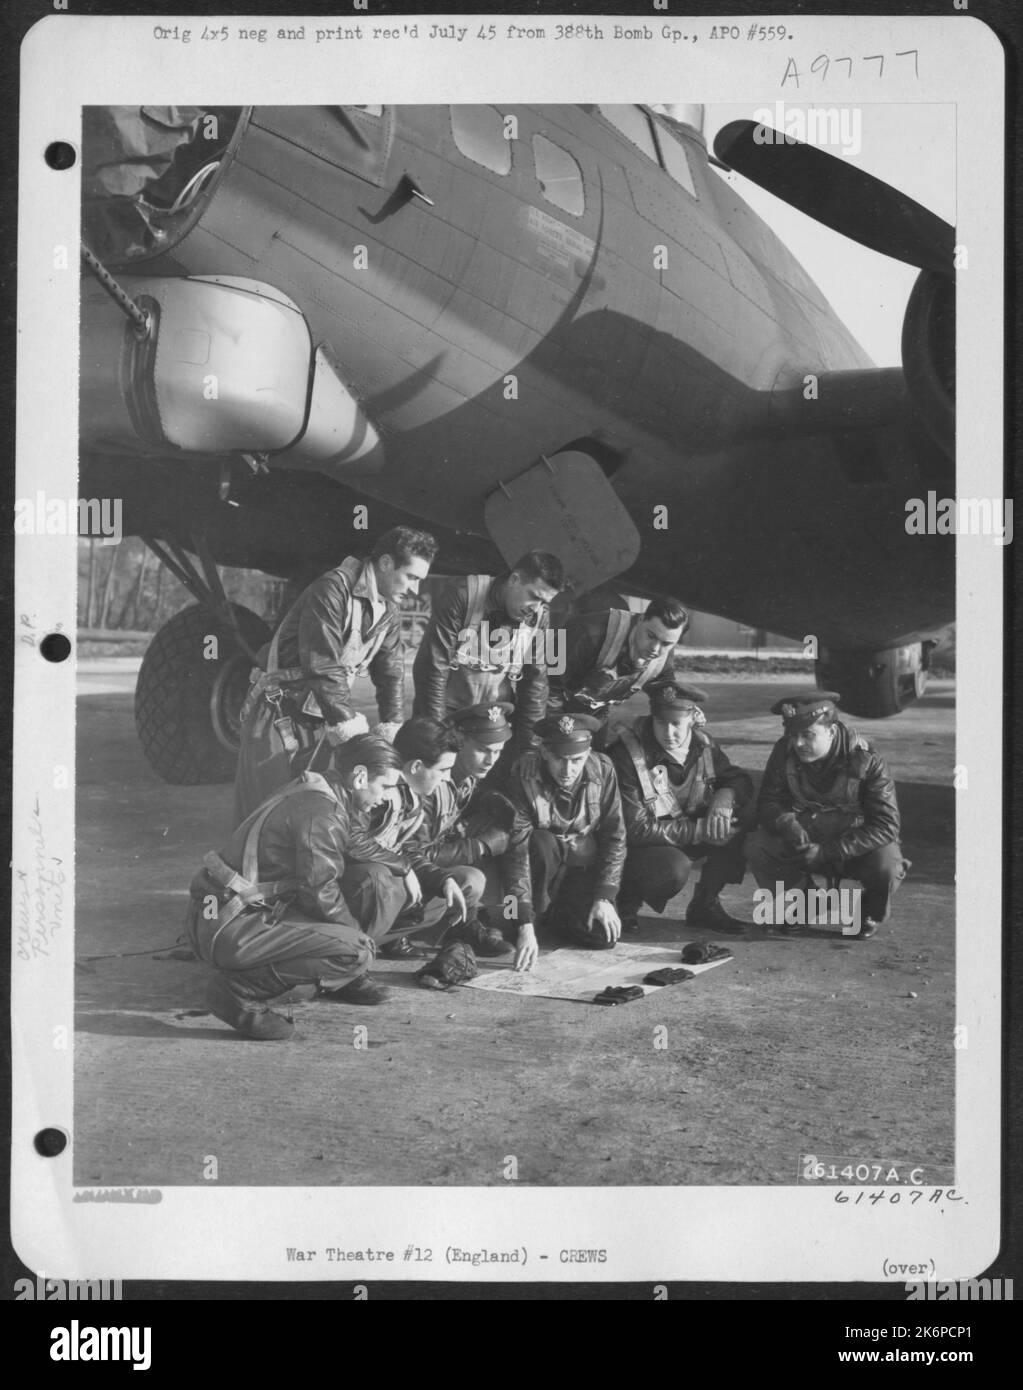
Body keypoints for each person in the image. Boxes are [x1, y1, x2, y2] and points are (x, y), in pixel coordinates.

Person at [188, 735, 416, 1040]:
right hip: (231, 926)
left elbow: (354, 840)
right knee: (355, 952)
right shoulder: (322, 812)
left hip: (215, 914)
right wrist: (359, 943)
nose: (387, 797)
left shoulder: (319, 790)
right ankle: (237, 990)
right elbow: (321, 894)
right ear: (360, 777)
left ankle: (311, 975)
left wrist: (405, 866)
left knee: (371, 883)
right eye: (385, 786)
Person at [233, 526, 439, 825]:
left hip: (323, 718)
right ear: (384, 563)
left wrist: (390, 729)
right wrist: (351, 731)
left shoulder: (389, 612)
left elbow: (391, 673)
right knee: (266, 813)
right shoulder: (331, 590)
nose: (414, 589)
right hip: (279, 713)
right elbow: (323, 665)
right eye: (412, 577)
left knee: (311, 812)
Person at [744, 691, 909, 939]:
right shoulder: (785, 751)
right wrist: (789, 825)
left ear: (831, 732)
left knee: (887, 865)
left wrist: (828, 852)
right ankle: (809, 903)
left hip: (853, 839)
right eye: (793, 735)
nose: (798, 743)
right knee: (757, 845)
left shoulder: (867, 760)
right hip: (807, 835)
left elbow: (887, 825)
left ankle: (867, 912)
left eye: (808, 735)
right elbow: (769, 802)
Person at [609, 678, 754, 933]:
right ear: (652, 718)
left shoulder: (703, 745)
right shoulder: (627, 754)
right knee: (673, 868)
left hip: (683, 830)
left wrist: (725, 797)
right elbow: (635, 828)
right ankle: (625, 903)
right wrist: (700, 831)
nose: (669, 733)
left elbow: (737, 777)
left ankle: (705, 903)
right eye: (661, 723)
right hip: (641, 847)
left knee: (744, 818)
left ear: (692, 718)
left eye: (676, 724)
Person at [364, 715, 508, 958]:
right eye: (443, 770)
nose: (445, 778)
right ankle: (355, 946)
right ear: (417, 766)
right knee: (378, 878)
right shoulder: (381, 796)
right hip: (356, 888)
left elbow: (406, 850)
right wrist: (405, 868)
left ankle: (380, 939)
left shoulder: (412, 794)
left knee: (447, 890)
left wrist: (440, 879)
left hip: (385, 877)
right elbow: (356, 844)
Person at [411, 551, 565, 774]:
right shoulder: (463, 595)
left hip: (493, 723)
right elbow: (432, 668)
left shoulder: (539, 617)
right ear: (514, 580)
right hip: (447, 716)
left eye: (544, 601)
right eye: (534, 595)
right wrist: (437, 739)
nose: (536, 607)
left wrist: (529, 748)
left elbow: (535, 685)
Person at [502, 712, 627, 968]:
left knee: (602, 938)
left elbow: (615, 835)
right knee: (540, 842)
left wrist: (604, 897)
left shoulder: (603, 768)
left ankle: (557, 915)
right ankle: (526, 918)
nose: (568, 770)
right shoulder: (523, 775)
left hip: (580, 868)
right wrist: (523, 922)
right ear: (545, 752)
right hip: (539, 865)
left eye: (577, 760)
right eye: (559, 759)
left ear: (589, 751)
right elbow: (516, 851)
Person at [404, 703, 521, 956]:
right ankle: (461, 925)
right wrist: (479, 846)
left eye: (498, 751)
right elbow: (417, 854)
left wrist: (487, 800)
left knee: (506, 825)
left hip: (433, 855)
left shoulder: (467, 775)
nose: (491, 760)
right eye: (482, 750)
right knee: (471, 877)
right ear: (459, 741)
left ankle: (492, 916)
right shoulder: (431, 781)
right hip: (413, 870)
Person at [547, 596, 690, 748]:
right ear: (641, 619)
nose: (655, 649)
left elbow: (664, 693)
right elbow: (545, 685)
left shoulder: (664, 650)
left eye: (667, 643)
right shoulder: (584, 631)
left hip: (595, 714)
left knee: (595, 763)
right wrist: (551, 736)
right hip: (547, 705)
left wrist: (686, 712)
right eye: (651, 636)